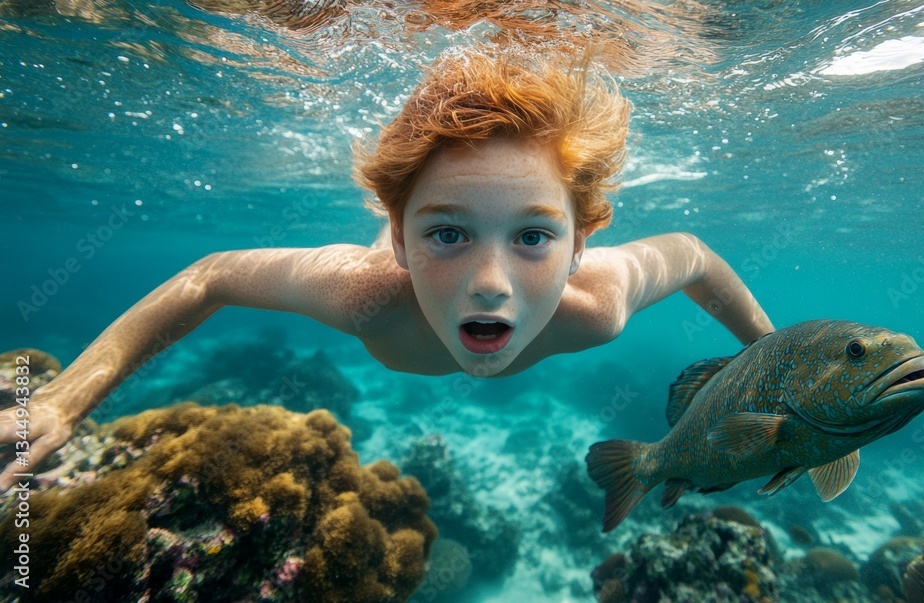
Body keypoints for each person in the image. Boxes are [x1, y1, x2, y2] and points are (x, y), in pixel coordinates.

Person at [0, 46, 773, 492]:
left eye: (535, 237)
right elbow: (212, 273)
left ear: (582, 243)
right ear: (400, 241)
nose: (492, 282)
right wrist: (67, 397)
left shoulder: (596, 301)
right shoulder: (368, 291)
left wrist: (773, 358)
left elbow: (697, 258)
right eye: (447, 237)